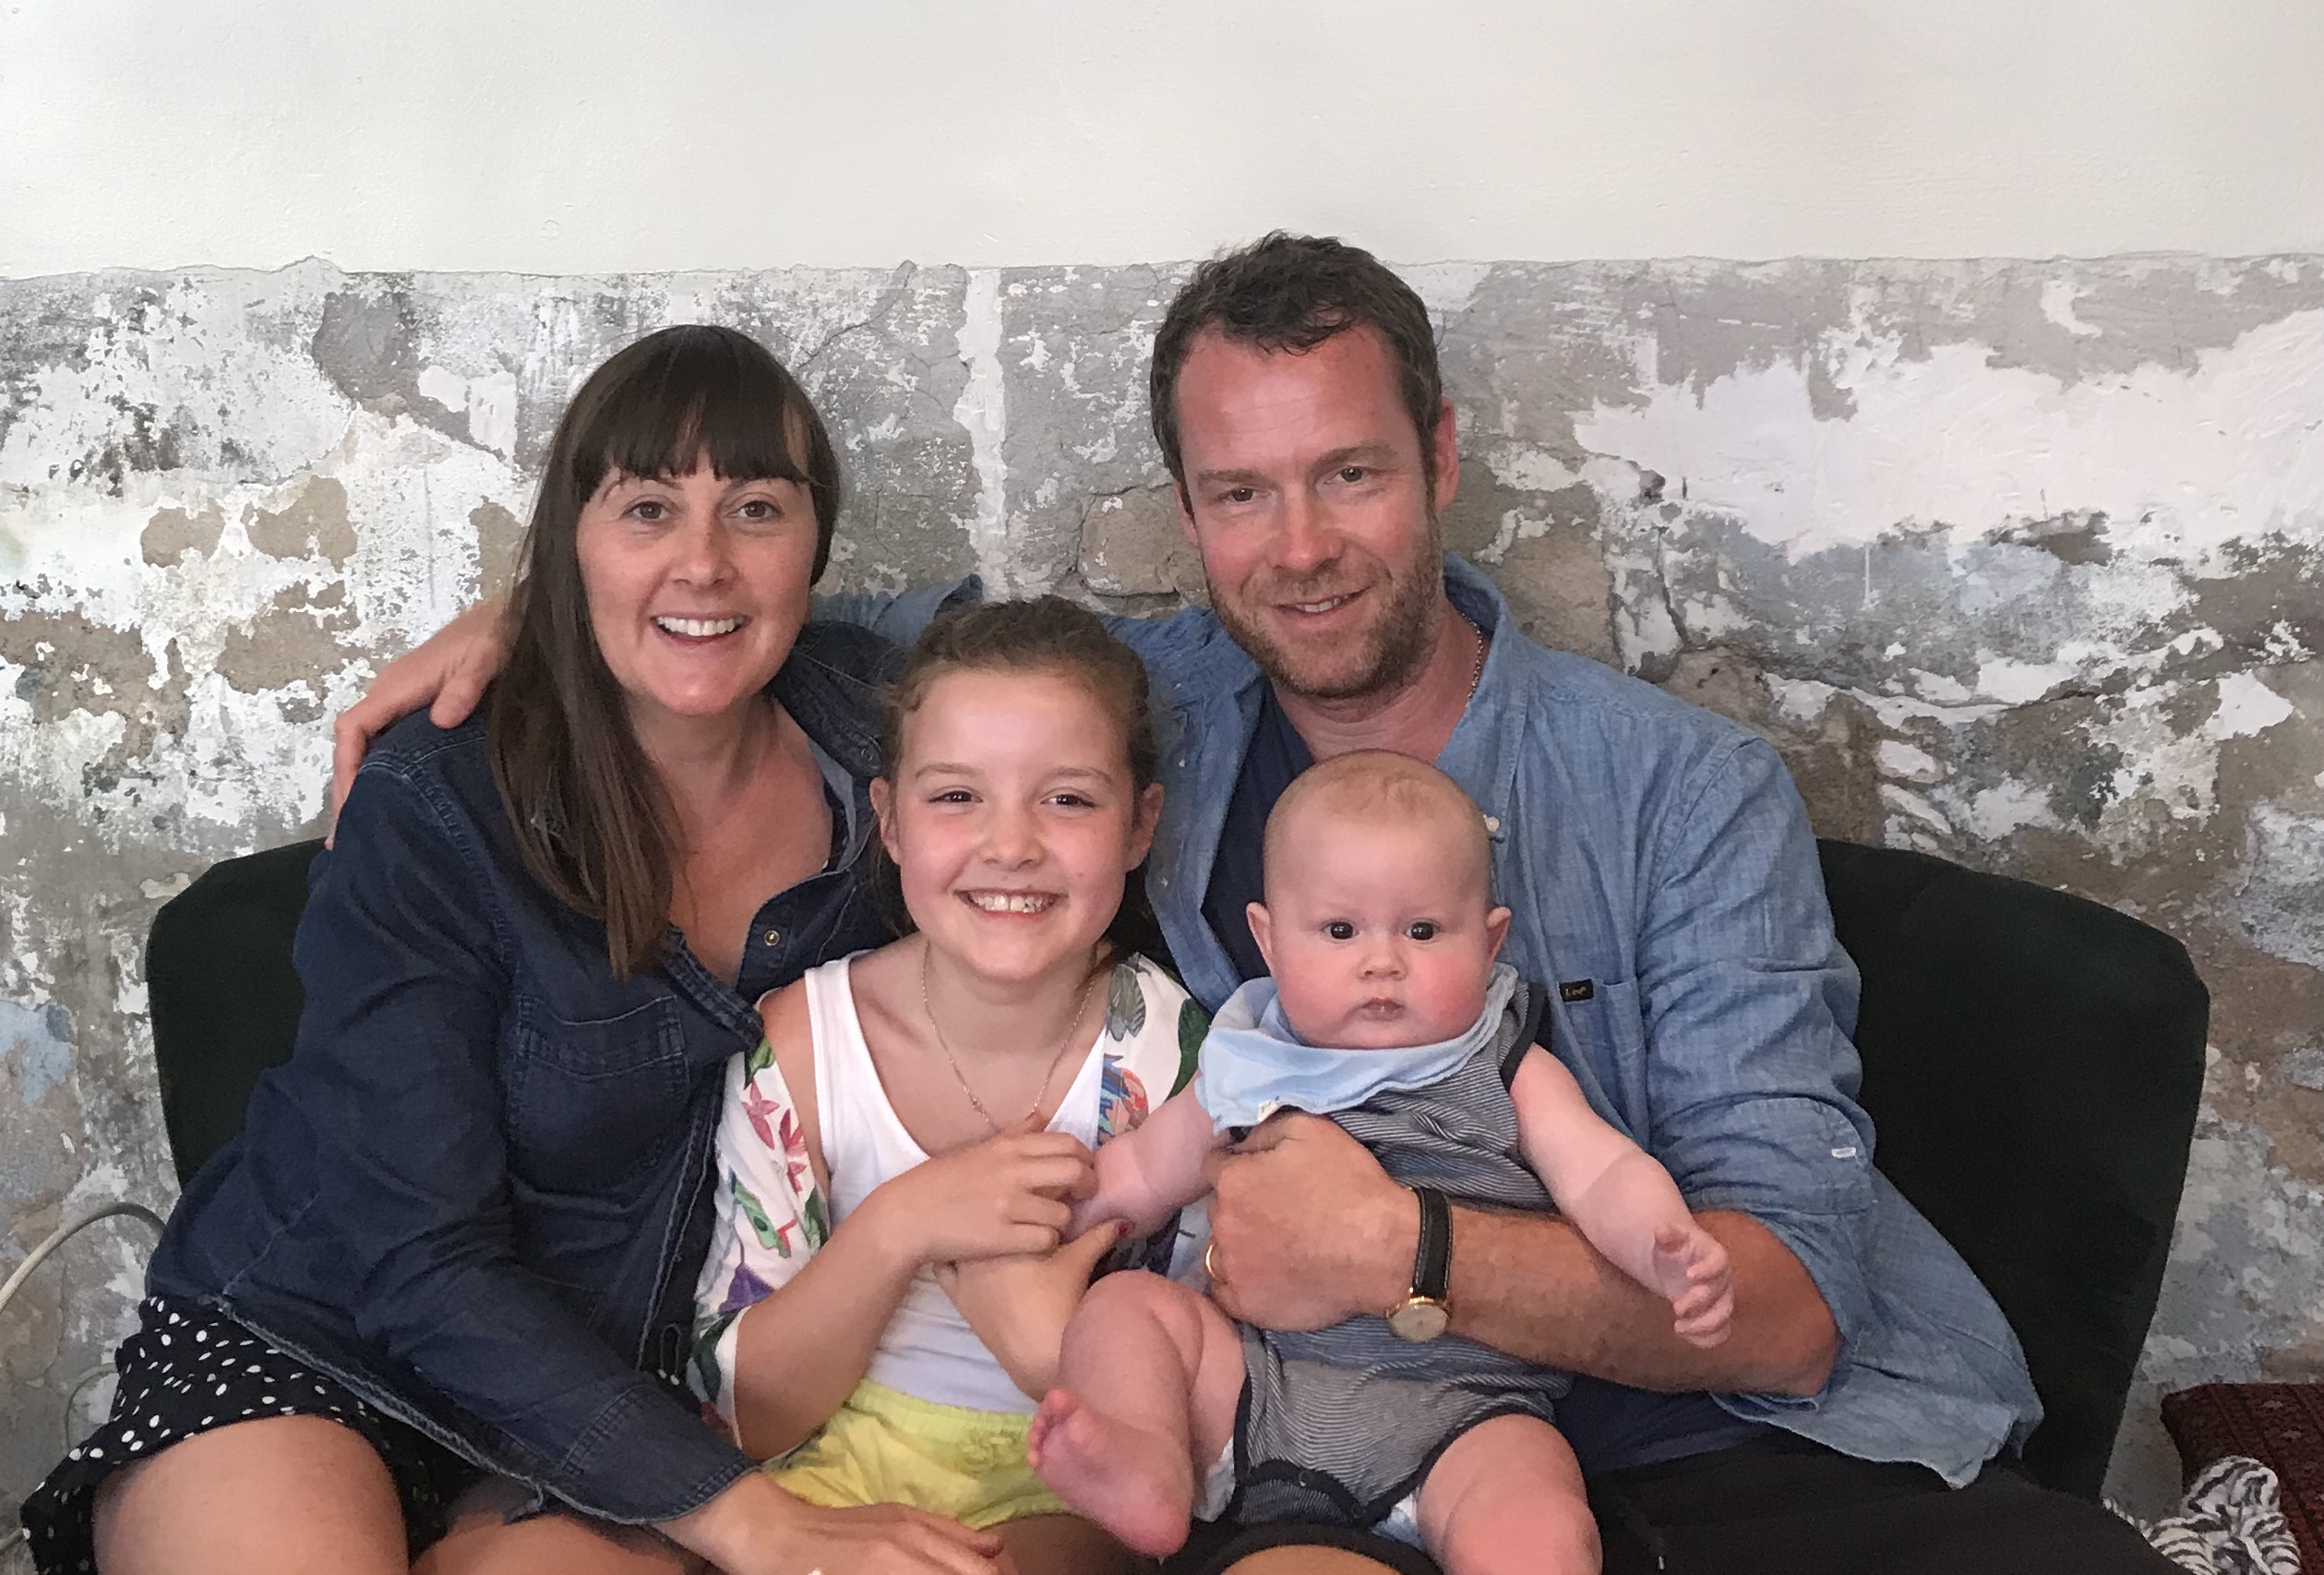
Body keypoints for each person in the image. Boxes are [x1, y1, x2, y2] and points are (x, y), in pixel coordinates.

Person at [325, 234, 2181, 1575]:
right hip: (1308, 1450)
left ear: (1439, 460)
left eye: (1348, 475)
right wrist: (549, 616)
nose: (1297, 548)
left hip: (1716, 1439)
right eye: (1238, 494)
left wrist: (1409, 1253)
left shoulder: (1676, 791)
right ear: (1188, 513)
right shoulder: (1154, 717)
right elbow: (817, 635)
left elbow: (1783, 1315)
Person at [22, 326, 1012, 1575]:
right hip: (325, 1339)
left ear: (815, 546)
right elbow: (413, 1260)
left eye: (757, 509)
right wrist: (746, 1519)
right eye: (646, 510)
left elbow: (1084, 693)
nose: (704, 561)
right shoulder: (436, 799)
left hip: (632, 1400)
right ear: (569, 545)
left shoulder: (896, 754)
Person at [1025, 750, 1732, 1574]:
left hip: (1462, 1414)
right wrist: (1046, 1213)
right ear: (1268, 941)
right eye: (1340, 931)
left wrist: (1663, 1245)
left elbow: (1601, 1172)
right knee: (1127, 1310)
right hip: (1258, 1388)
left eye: (1423, 931)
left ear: (1490, 941)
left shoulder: (1503, 1067)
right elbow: (1143, 1176)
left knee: (1539, 1510)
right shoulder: (1249, 1064)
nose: (1383, 961)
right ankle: (1145, 1460)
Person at [685, 596, 1208, 1575]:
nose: (1010, 844)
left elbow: (1212, 1416)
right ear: (889, 819)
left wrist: (1050, 1355)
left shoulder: (1170, 1058)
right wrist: (902, 1223)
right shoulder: (803, 1046)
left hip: (1065, 1498)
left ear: (1140, 824)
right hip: (820, 1483)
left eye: (1068, 799)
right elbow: (748, 1415)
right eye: (957, 796)